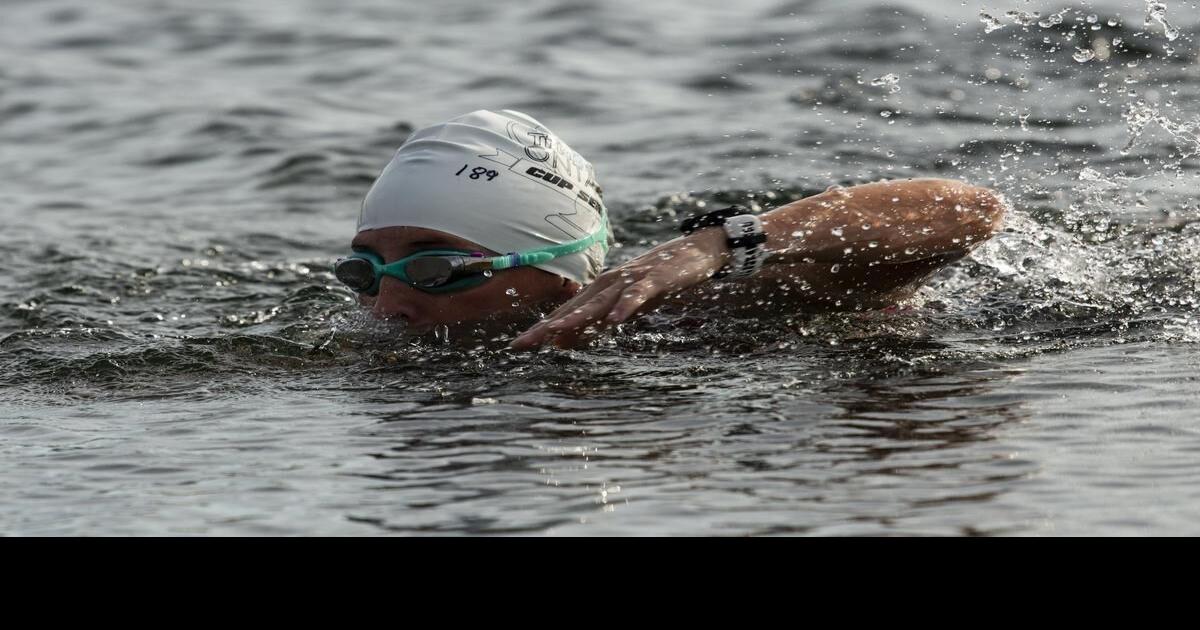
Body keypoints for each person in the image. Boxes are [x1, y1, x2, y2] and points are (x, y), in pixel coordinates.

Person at [337, 109, 1006, 350]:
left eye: (436, 270)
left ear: (558, 269)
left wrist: (717, 245)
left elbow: (970, 210)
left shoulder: (694, 311)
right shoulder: (374, 350)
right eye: (363, 272)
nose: (387, 307)